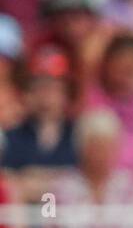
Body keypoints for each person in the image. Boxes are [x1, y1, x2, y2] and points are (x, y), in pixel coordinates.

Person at [1, 46, 78, 200]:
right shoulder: (12, 135)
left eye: (53, 88)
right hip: (26, 218)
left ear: (66, 93)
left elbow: (85, 181)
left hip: (68, 218)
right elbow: (7, 182)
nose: (46, 96)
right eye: (39, 88)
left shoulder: (78, 134)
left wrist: (33, 177)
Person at [83, 33, 133, 180]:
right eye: (122, 65)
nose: (127, 72)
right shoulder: (91, 96)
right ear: (107, 63)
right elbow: (86, 56)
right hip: (108, 181)